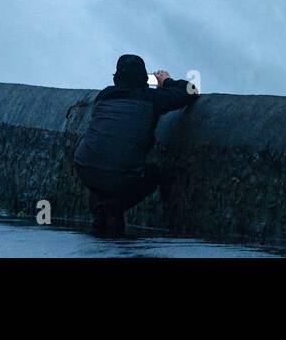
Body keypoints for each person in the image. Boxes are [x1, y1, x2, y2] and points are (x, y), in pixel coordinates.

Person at [72, 53, 199, 233]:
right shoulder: (151, 98)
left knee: (102, 177)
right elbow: (191, 91)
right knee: (151, 174)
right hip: (120, 175)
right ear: (144, 78)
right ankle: (116, 207)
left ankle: (101, 217)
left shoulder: (104, 95)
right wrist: (167, 82)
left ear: (116, 78)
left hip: (85, 168)